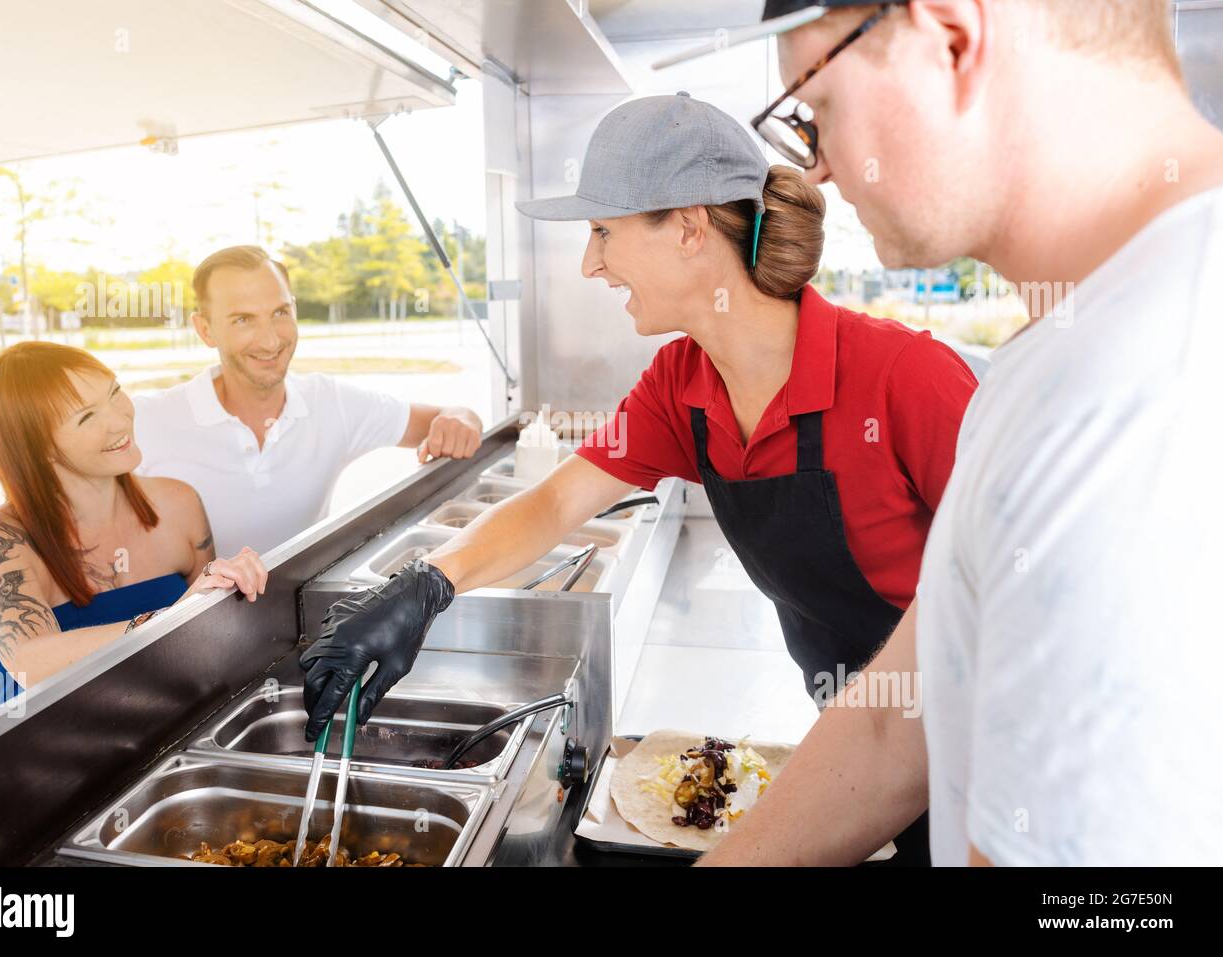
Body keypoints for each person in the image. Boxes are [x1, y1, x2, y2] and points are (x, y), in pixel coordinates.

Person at [298, 93, 979, 864]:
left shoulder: (905, 379)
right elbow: (558, 499)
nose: (591, 262)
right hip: (857, 749)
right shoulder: (680, 382)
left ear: (690, 228)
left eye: (603, 231)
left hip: (990, 758)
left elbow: (1028, 603)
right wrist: (424, 585)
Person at [675, 0, 1223, 866]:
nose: (815, 172)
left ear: (952, 39)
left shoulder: (1148, 390)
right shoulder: (1063, 356)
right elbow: (901, 720)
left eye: (815, 113)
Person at [0, 342, 268, 702]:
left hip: (163, 725)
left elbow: (205, 642)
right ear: (38, 447)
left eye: (115, 392)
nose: (120, 420)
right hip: (47, 749)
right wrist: (166, 620)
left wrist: (226, 590)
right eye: (86, 417)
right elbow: (31, 663)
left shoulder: (179, 503)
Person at [131, 245, 486, 557]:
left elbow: (447, 416)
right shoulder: (148, 420)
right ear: (205, 329)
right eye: (243, 320)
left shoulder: (330, 402)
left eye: (280, 313)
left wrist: (461, 419)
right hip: (186, 624)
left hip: (300, 619)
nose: (270, 341)